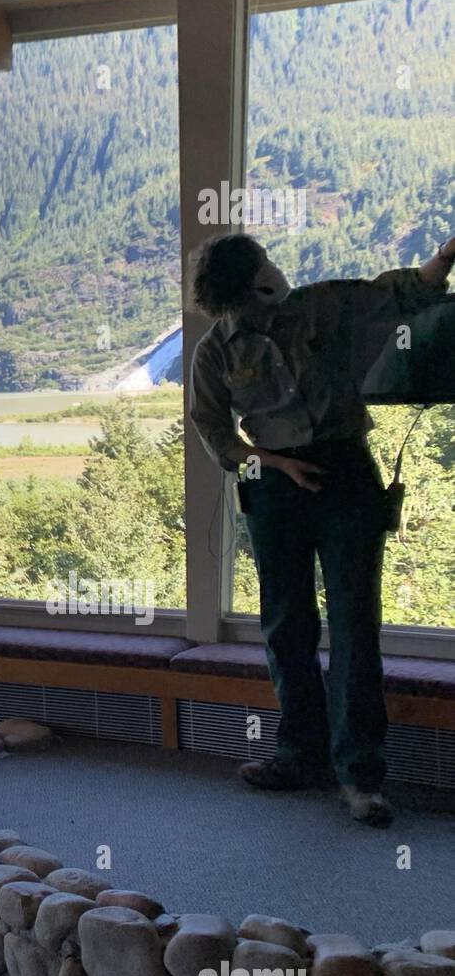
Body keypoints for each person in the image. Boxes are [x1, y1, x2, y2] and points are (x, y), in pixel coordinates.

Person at [188, 232, 455, 827]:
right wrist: (275, 463)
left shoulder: (321, 304)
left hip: (345, 474)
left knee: (356, 622)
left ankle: (361, 777)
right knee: (287, 623)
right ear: (250, 280)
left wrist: (445, 256)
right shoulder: (215, 352)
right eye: (264, 264)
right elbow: (216, 433)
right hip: (274, 485)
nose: (275, 270)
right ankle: (297, 756)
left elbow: (395, 295)